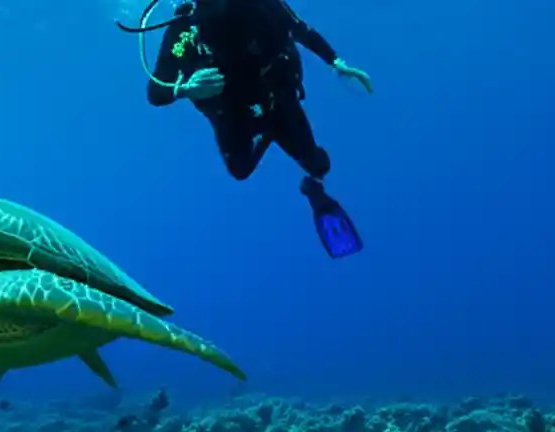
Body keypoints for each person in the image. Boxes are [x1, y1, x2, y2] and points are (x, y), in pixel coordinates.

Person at [130, 0, 373, 257]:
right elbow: (155, 92)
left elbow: (300, 30)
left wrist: (337, 62)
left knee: (317, 165)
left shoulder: (264, 4)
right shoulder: (185, 32)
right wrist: (185, 89)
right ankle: (271, 137)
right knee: (240, 169)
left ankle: (314, 190)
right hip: (236, 114)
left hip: (277, 100)